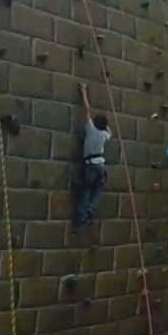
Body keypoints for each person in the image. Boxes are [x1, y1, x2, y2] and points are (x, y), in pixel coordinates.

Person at [74, 83, 112, 229]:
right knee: (97, 191)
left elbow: (87, 109)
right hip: (100, 165)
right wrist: (105, 124)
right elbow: (110, 131)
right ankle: (91, 209)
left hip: (89, 165)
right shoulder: (104, 134)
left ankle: (82, 219)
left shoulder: (90, 129)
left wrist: (83, 91)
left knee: (87, 190)